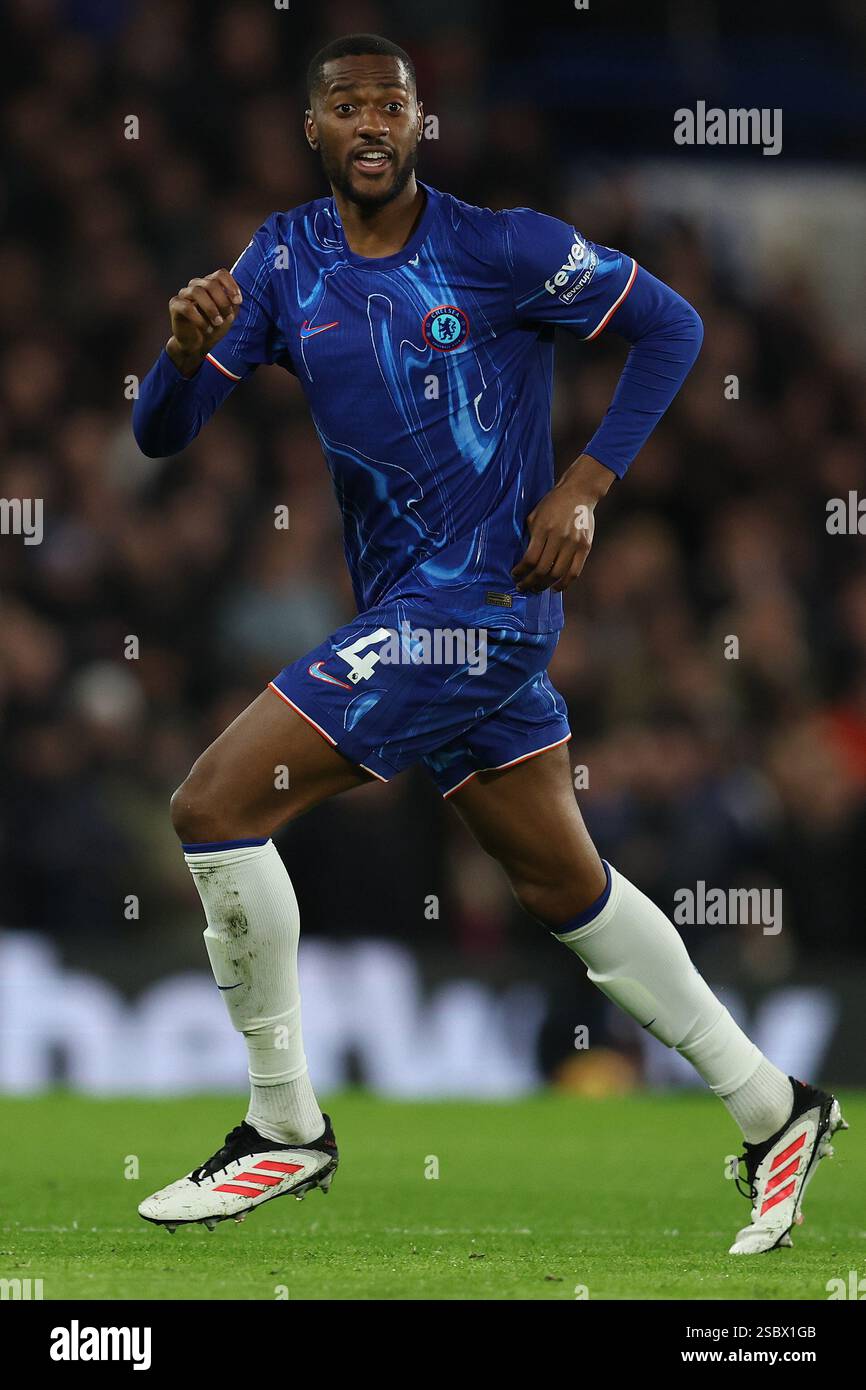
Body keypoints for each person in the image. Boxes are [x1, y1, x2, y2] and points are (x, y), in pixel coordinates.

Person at [132, 33, 845, 1254]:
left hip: (479, 604)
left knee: (211, 807)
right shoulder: (282, 260)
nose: (369, 124)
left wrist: (581, 486)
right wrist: (182, 354)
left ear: (421, 125)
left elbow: (668, 325)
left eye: (390, 106)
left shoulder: (501, 246)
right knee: (565, 886)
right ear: (313, 130)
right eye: (345, 106)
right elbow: (161, 434)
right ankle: (771, 1105)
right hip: (404, 612)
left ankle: (282, 1125)